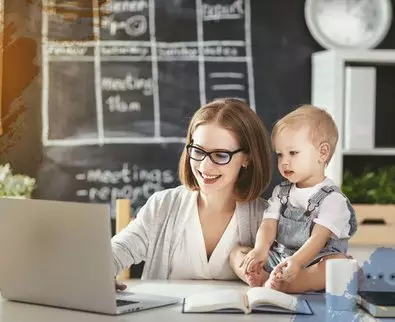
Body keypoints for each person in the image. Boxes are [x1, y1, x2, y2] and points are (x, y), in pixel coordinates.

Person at [112, 98, 272, 289]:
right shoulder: (163, 205)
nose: (205, 166)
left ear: (247, 158)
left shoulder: (267, 218)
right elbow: (118, 250)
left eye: (220, 155)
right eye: (198, 151)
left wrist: (241, 262)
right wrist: (100, 274)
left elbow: (283, 282)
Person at [229, 104, 358, 293]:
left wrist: (297, 263)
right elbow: (268, 224)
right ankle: (262, 276)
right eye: (280, 155)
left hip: (311, 262)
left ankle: (290, 284)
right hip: (279, 257)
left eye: (293, 153)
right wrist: (260, 250)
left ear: (322, 153)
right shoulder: (281, 192)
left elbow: (318, 239)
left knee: (338, 264)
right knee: (236, 253)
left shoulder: (333, 200)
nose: (284, 162)